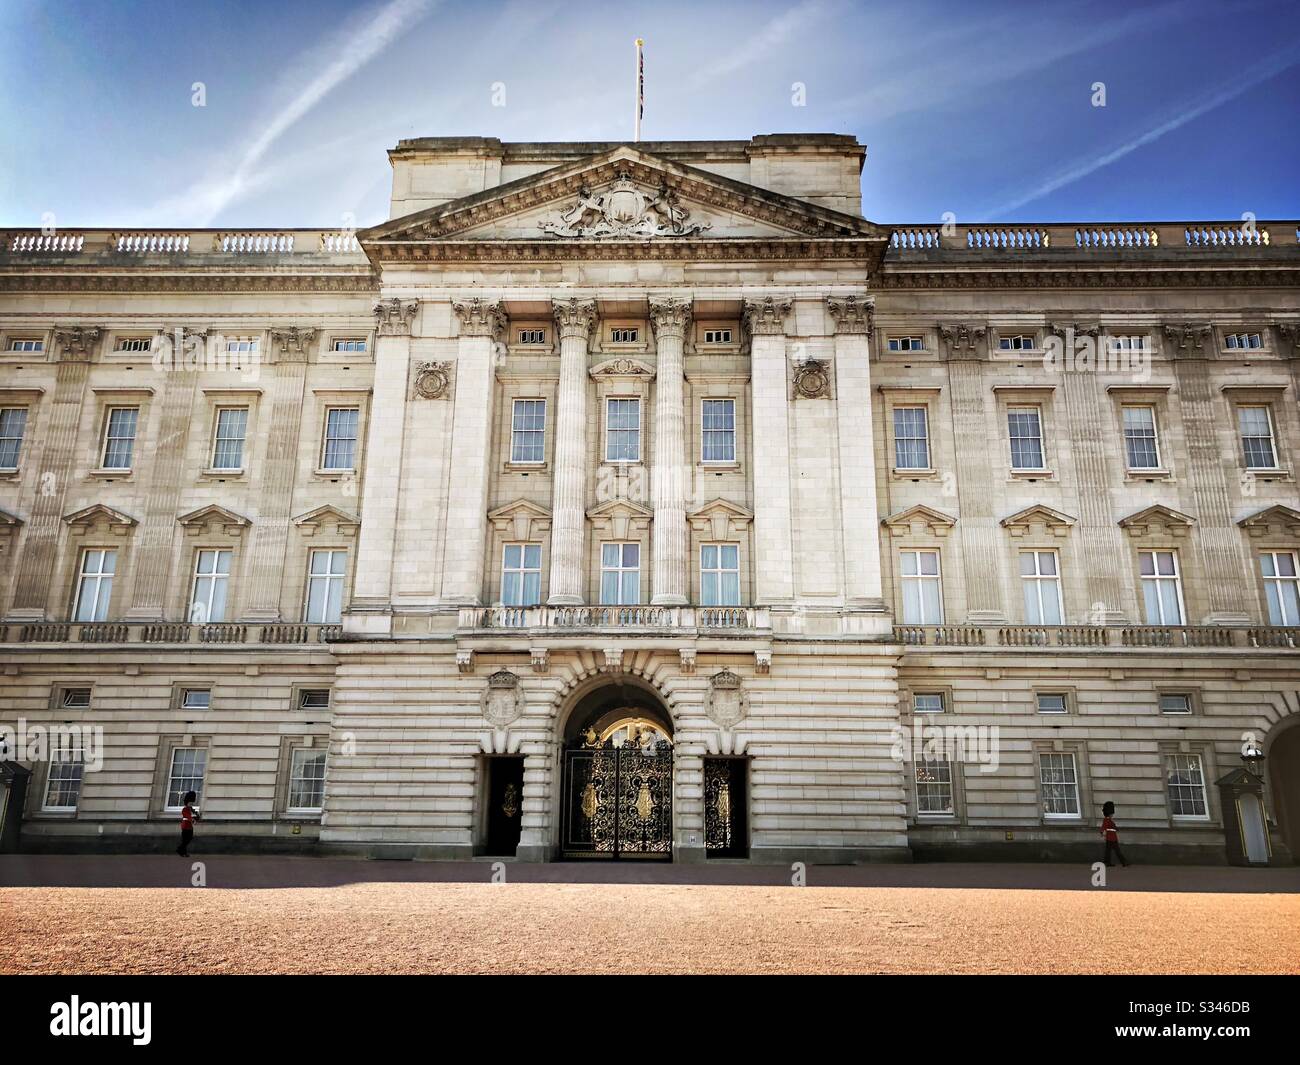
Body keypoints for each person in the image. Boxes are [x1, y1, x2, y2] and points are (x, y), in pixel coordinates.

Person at [1099, 800, 1129, 867]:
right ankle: (1124, 862)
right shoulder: (1106, 820)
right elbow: (1104, 827)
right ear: (1109, 813)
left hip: (1110, 838)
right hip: (1111, 838)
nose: (1112, 814)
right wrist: (1101, 831)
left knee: (1108, 851)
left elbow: (1111, 827)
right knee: (1117, 851)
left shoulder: (1108, 820)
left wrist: (1116, 828)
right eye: (1111, 813)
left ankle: (1107, 862)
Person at [177, 790, 199, 857]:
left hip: (189, 826)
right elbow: (188, 816)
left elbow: (194, 814)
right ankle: (181, 850)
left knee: (188, 839)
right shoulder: (185, 809)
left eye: (192, 802)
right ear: (187, 802)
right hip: (185, 826)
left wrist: (197, 815)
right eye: (190, 802)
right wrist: (193, 820)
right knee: (186, 839)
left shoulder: (190, 808)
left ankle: (182, 851)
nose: (191, 804)